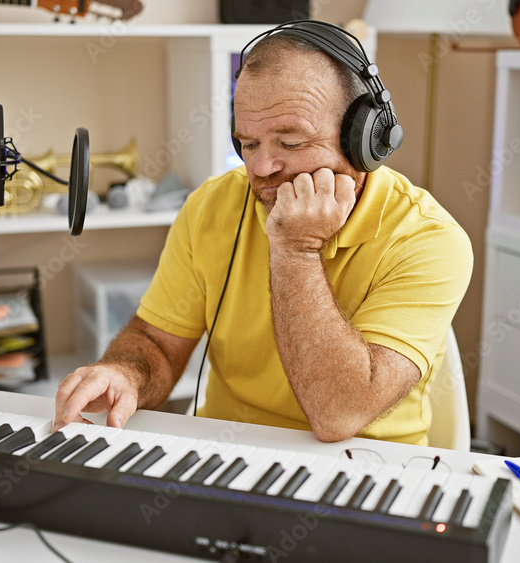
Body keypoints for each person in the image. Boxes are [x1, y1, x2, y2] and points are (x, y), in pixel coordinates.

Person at [54, 21, 472, 445]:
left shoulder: (429, 240)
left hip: (365, 472)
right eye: (248, 144)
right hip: (227, 456)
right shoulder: (211, 207)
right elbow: (157, 343)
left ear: (364, 139)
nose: (261, 169)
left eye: (290, 144)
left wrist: (296, 249)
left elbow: (339, 414)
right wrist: (125, 373)